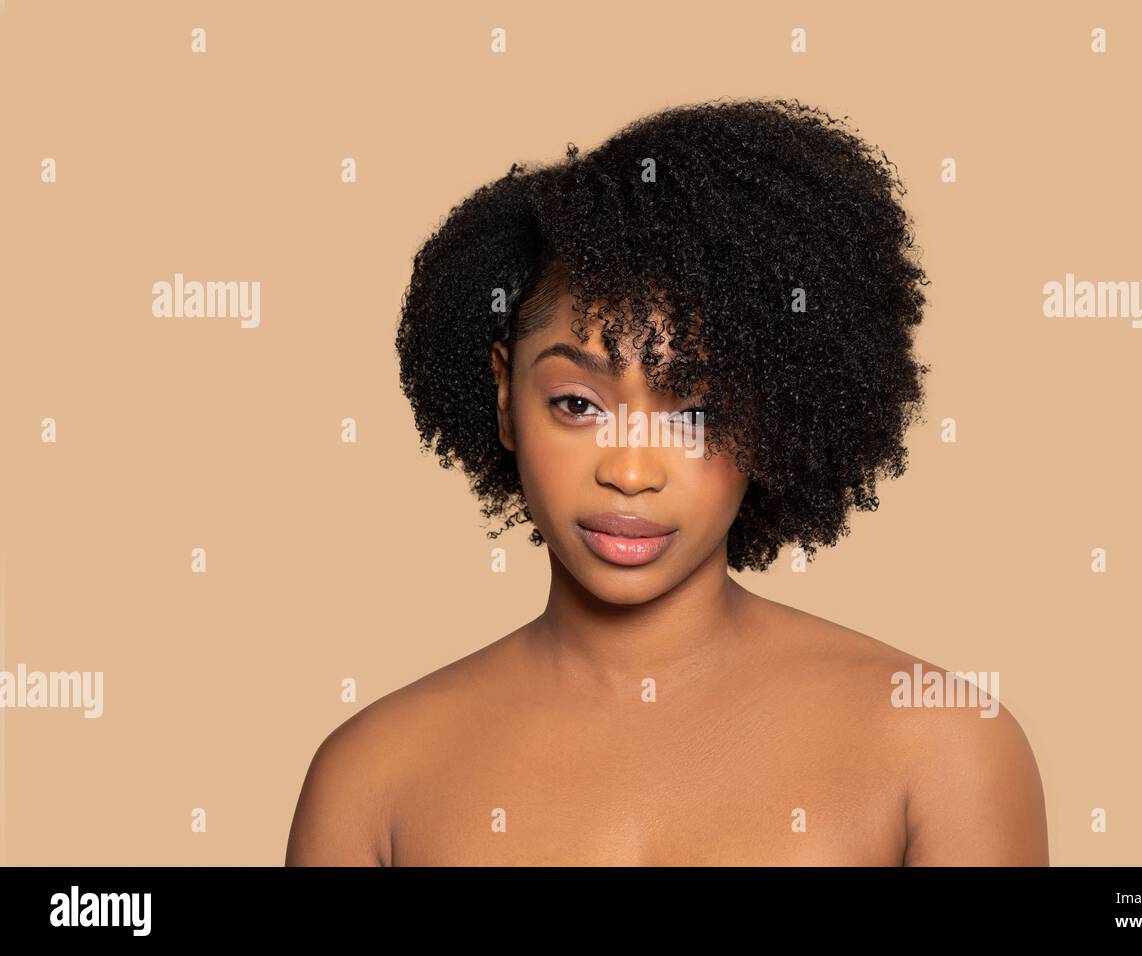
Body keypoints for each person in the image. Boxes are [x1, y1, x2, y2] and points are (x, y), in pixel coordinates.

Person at [286, 97, 1048, 866]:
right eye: (577, 404)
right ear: (505, 398)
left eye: (695, 414)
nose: (628, 471)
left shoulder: (939, 746)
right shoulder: (372, 781)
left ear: (776, 414)